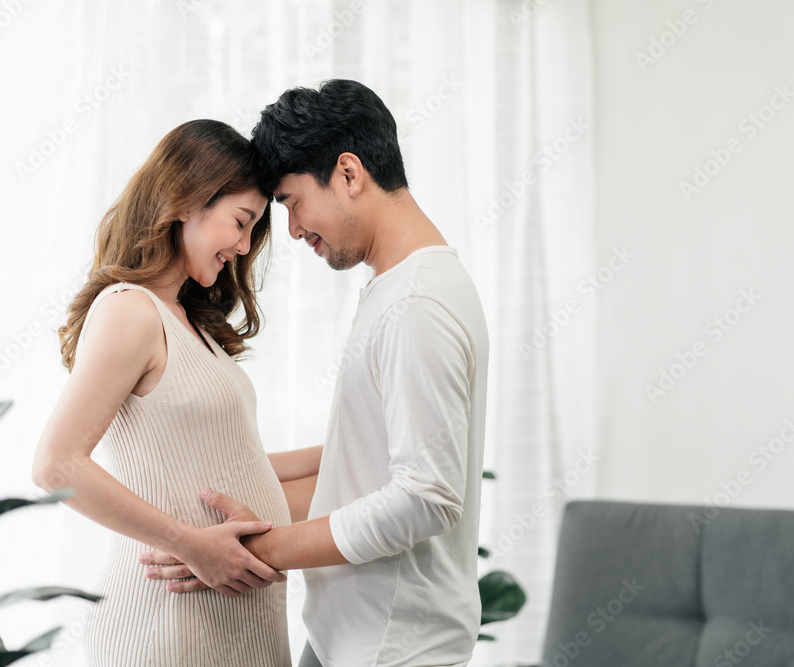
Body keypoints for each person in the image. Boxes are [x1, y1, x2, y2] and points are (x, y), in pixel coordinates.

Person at [142, 79, 490, 666]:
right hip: (352, 642)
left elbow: (426, 497)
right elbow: (364, 467)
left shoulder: (416, 306)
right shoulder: (399, 289)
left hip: (391, 650)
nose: (294, 229)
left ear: (349, 173)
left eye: (289, 202)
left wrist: (264, 552)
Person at [32, 119, 297, 666]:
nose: (244, 247)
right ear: (187, 199)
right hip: (167, 624)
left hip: (228, 624)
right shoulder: (131, 309)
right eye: (241, 222)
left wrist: (356, 448)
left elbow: (226, 464)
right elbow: (55, 466)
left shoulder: (189, 323)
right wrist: (191, 544)